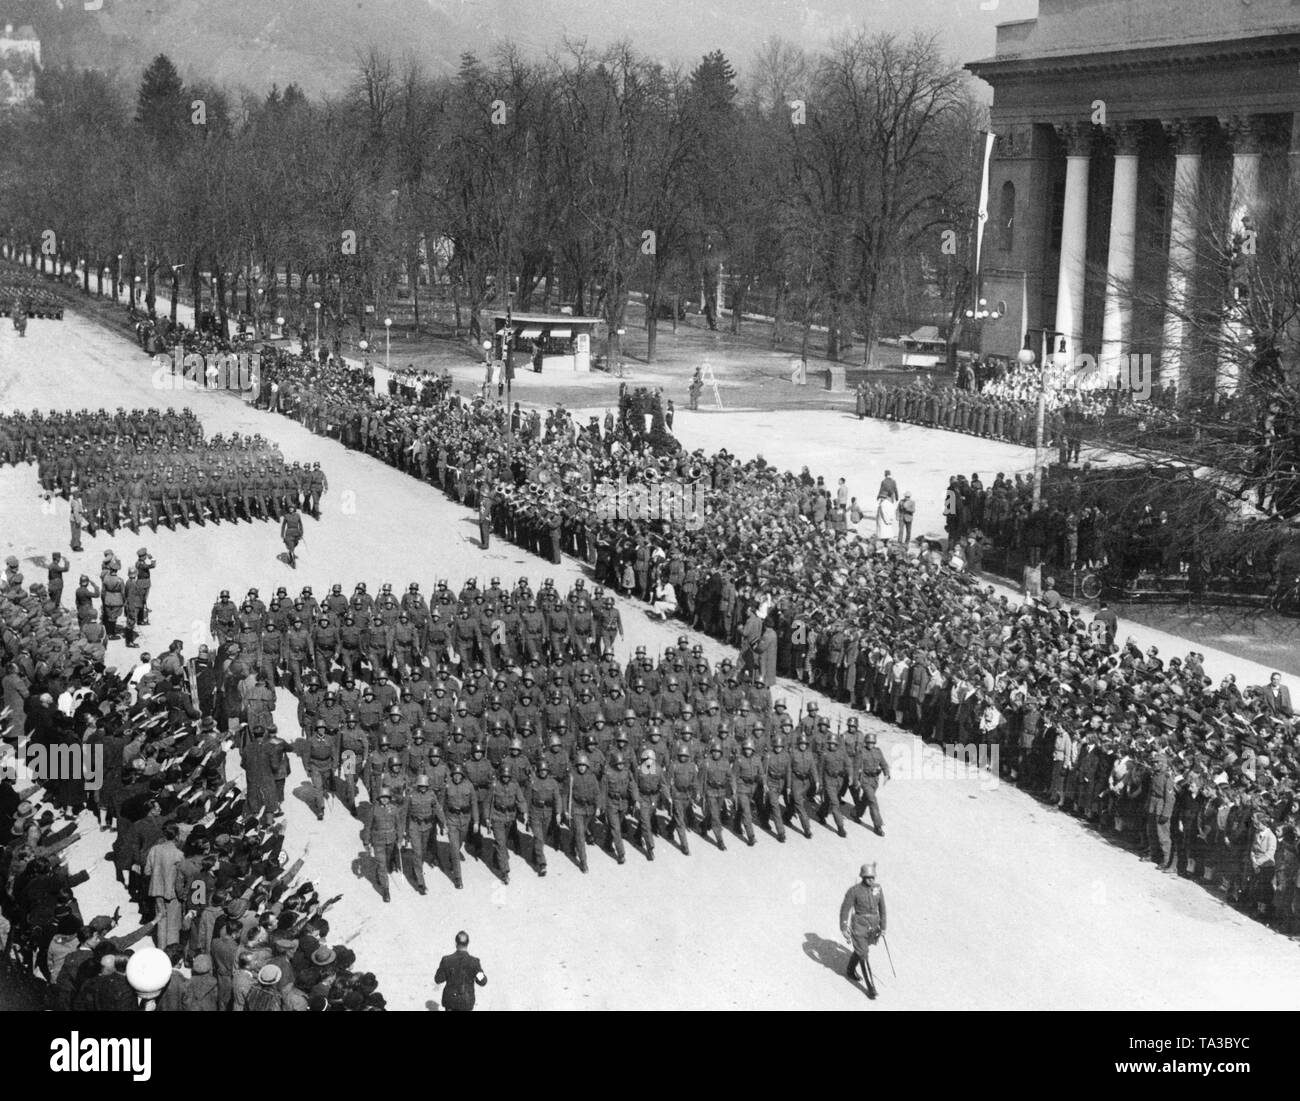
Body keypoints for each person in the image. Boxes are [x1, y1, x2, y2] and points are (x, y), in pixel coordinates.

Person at [839, 862, 886, 999]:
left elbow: (882, 908)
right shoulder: (854, 891)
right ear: (863, 877)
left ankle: (850, 969)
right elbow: (845, 909)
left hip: (873, 927)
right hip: (859, 926)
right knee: (863, 953)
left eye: (873, 877)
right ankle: (871, 988)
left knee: (860, 950)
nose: (872, 880)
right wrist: (843, 927)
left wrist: (883, 927)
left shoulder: (878, 888)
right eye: (868, 877)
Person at [435, 930, 487, 1011]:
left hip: (450, 1002)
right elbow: (483, 981)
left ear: (456, 943)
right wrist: (477, 972)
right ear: (468, 943)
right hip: (466, 1002)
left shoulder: (447, 960)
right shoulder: (474, 962)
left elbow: (438, 979)